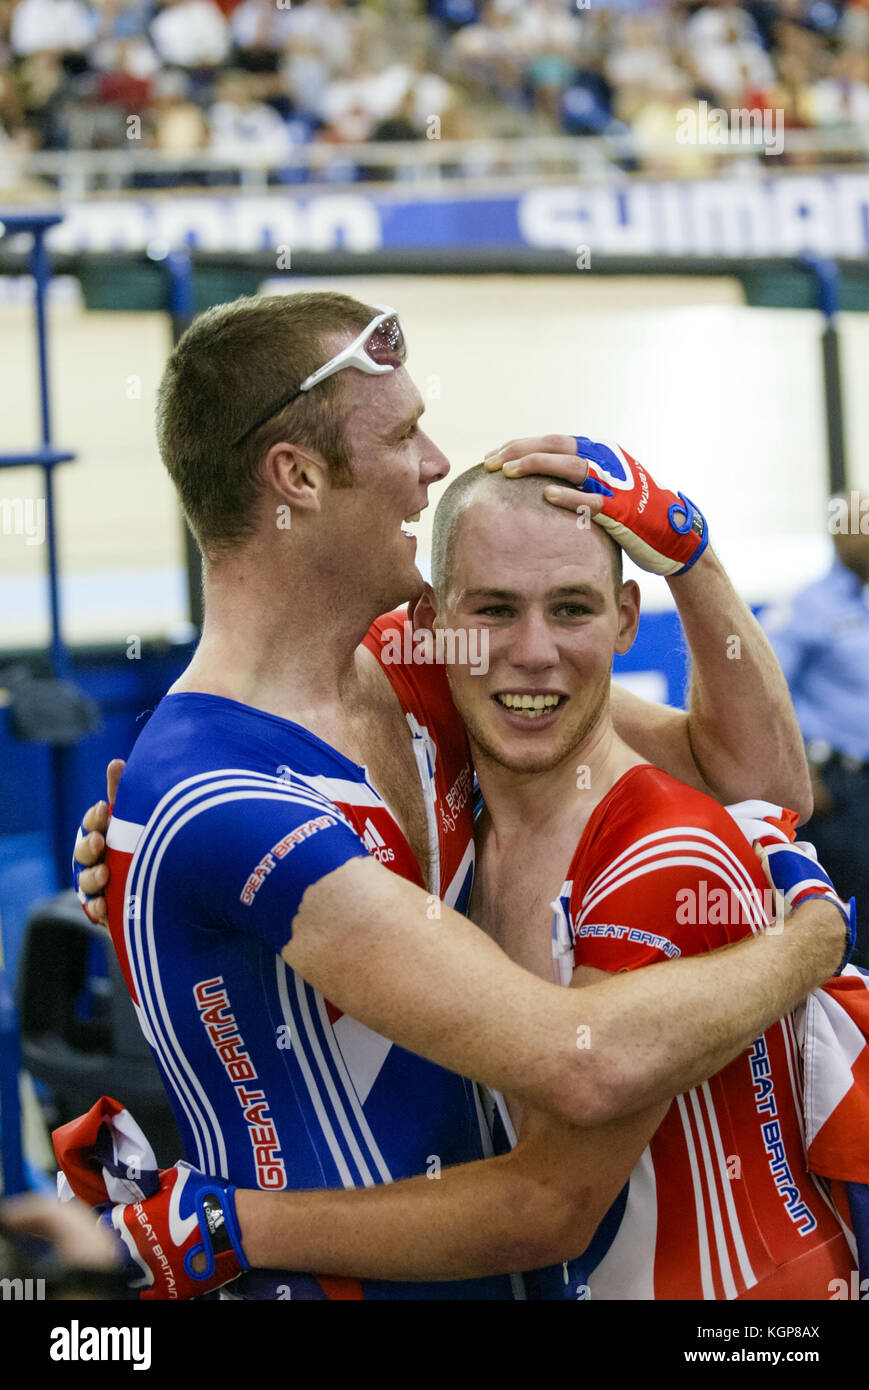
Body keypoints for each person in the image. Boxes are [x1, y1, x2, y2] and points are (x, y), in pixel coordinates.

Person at [71, 291, 845, 1300]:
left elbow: (762, 782)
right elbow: (578, 1066)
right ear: (294, 476)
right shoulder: (219, 796)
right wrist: (807, 940)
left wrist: (691, 558)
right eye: (401, 433)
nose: (433, 463)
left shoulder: (418, 663)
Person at [761, 494, 869, 970]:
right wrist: (800, 765)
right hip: (843, 791)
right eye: (853, 524)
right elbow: (761, 687)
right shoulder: (808, 607)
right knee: (856, 920)